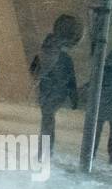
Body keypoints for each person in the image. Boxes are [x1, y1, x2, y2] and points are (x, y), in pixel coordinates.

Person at [29, 31, 78, 161]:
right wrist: (74, 96)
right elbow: (71, 79)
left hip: (50, 94)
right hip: (52, 94)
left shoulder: (44, 56)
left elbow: (33, 72)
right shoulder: (62, 58)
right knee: (48, 121)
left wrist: (73, 96)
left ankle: (44, 151)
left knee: (47, 120)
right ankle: (47, 150)